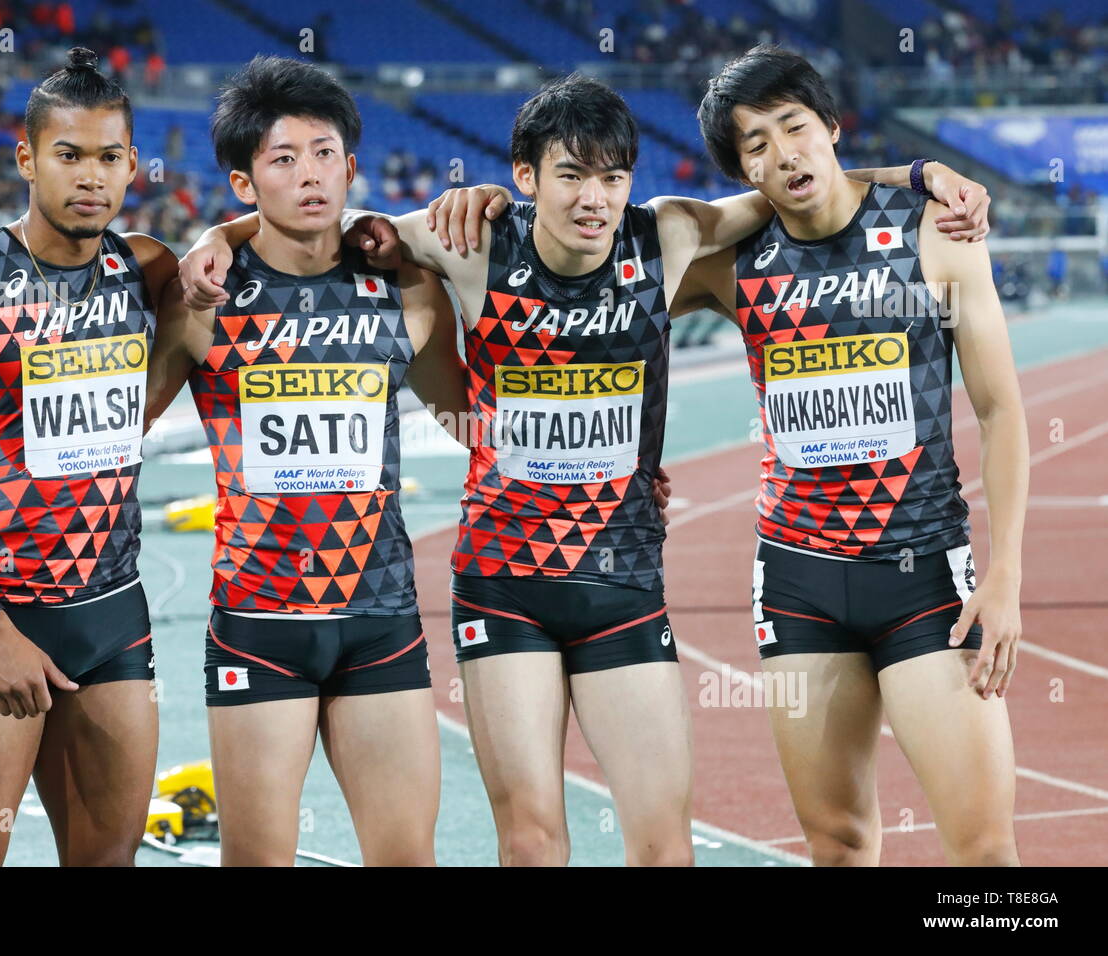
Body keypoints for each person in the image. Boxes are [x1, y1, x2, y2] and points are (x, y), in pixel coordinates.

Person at [179, 71, 991, 865]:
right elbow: (322, 221)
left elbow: (804, 185)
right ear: (526, 178)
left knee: (663, 846)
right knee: (531, 843)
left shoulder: (666, 235)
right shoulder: (470, 242)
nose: (592, 198)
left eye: (610, 177)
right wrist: (215, 236)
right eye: (569, 176)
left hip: (624, 584)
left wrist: (919, 173)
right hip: (504, 584)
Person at [662, 45, 1024, 865]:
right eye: (755, 144)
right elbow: (598, 273)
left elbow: (1001, 411)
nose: (782, 152)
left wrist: (1005, 575)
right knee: (837, 843)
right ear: (742, 170)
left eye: (795, 126)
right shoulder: (730, 264)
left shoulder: (933, 232)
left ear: (831, 126)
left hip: (927, 577)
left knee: (983, 850)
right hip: (797, 583)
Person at [147, 56, 469, 866]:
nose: (309, 174)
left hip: (381, 623)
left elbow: (472, 419)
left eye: (325, 153)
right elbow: (120, 432)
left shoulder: (408, 288)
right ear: (244, 183)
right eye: (282, 159)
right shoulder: (202, 300)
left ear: (351, 167)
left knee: (406, 858)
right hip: (260, 626)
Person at [0, 48, 178, 866]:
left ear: (131, 165)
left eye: (110, 157)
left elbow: (264, 249)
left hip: (113, 616)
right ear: (26, 158)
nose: (92, 177)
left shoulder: (146, 269)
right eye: (69, 155)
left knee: (105, 861)